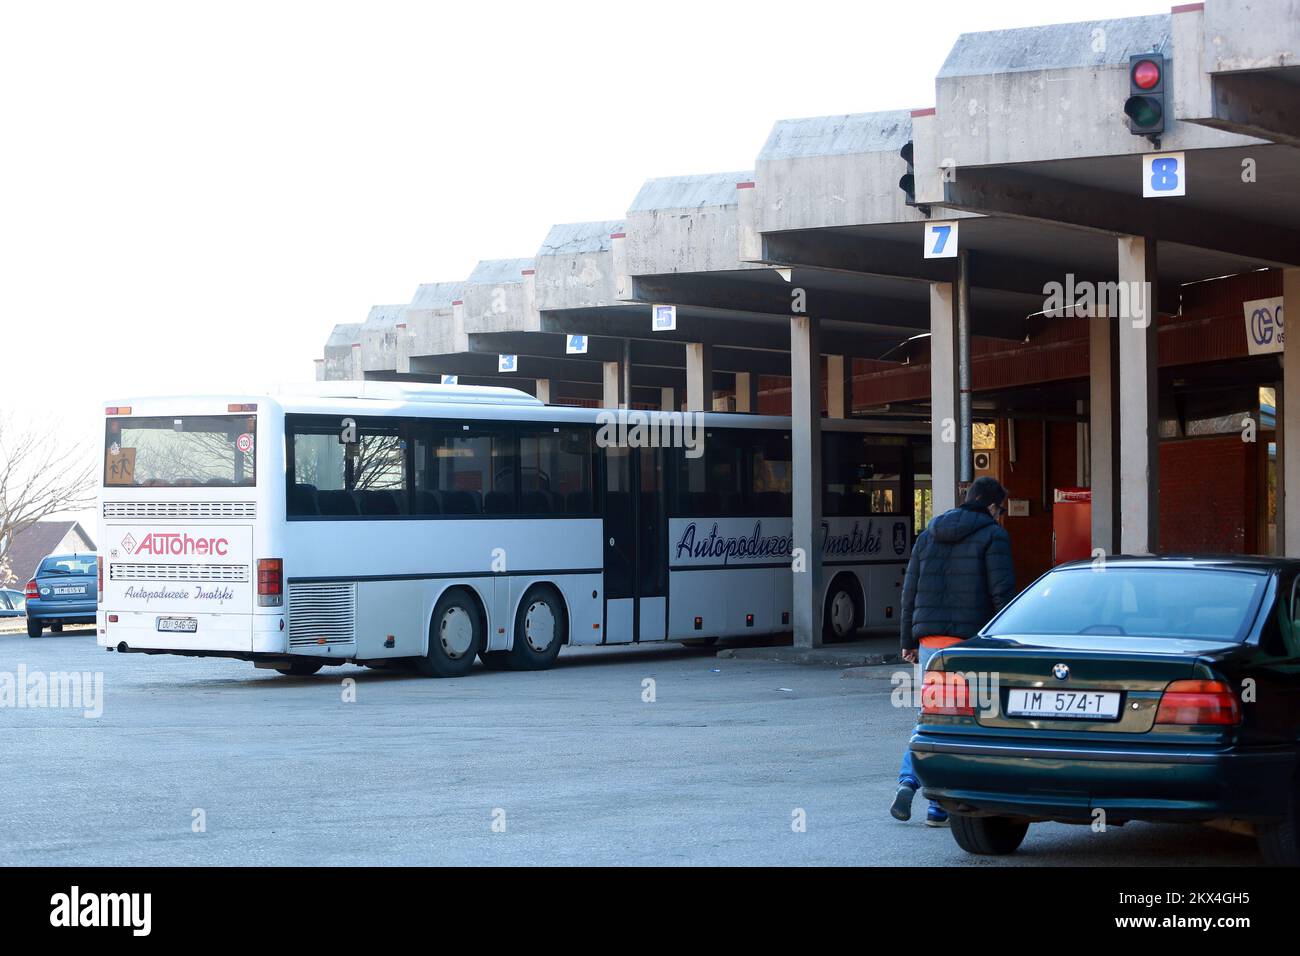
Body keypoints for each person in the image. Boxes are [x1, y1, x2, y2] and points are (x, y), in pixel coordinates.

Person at [890, 475, 1016, 827]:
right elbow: (1002, 595)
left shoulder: (928, 534)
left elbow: (909, 591)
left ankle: (910, 783)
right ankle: (938, 806)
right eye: (1000, 509)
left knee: (931, 719)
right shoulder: (993, 535)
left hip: (930, 645)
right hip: (971, 648)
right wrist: (1009, 643)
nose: (1000, 515)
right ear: (991, 505)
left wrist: (907, 641)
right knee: (970, 726)